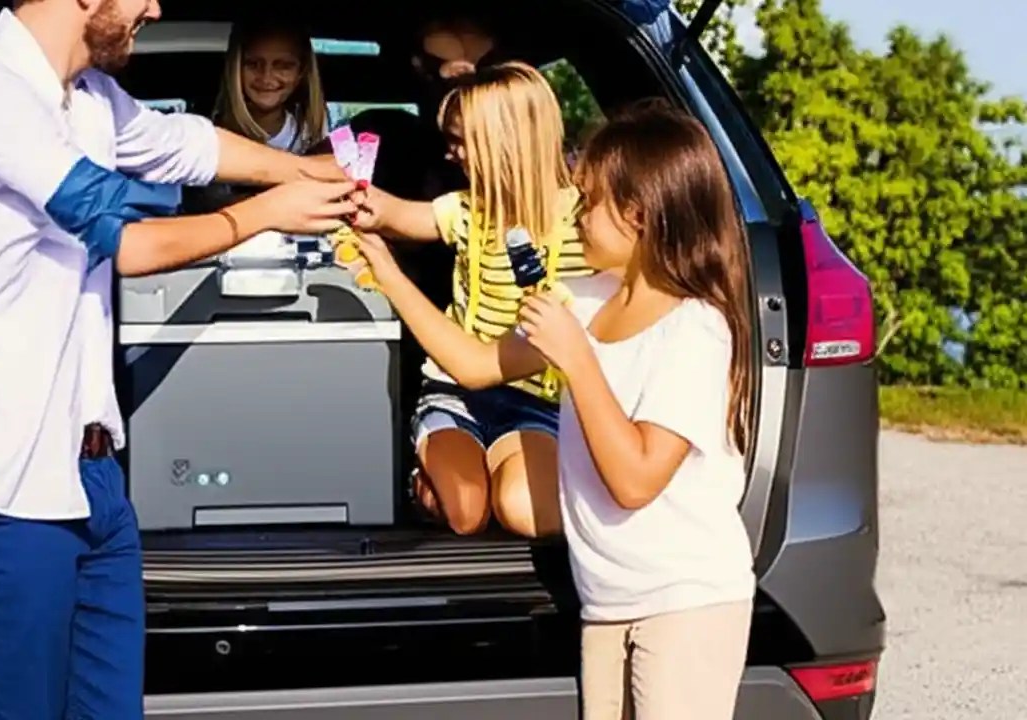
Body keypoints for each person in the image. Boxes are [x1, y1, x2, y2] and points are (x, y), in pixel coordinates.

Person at [0, 1, 357, 718]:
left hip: (94, 484)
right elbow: (126, 238)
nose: (154, 7)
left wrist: (304, 171)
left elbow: (188, 145)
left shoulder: (93, 100)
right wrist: (266, 211)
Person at [349, 98, 757, 720]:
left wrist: (577, 359)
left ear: (638, 215)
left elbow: (636, 479)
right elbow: (475, 365)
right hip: (609, 603)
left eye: (588, 203)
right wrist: (388, 272)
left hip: (685, 603)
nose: (576, 219)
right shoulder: (586, 300)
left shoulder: (694, 329)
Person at [352, 61, 594, 538]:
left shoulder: (585, 220)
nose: (451, 154)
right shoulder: (466, 209)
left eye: (462, 142)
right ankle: (435, 471)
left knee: (526, 510)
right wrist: (365, 204)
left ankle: (490, 469)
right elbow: (399, 215)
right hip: (456, 392)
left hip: (538, 401)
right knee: (465, 513)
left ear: (506, 142)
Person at [214, 20, 329, 154]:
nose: (266, 78)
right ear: (235, 68)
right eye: (253, 64)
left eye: (283, 66)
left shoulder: (315, 140)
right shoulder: (210, 138)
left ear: (301, 72)